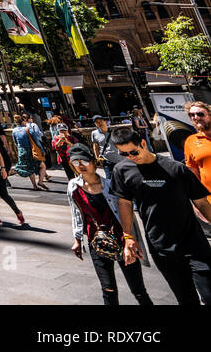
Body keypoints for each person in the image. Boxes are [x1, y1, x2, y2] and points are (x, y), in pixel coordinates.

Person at [109, 126, 211, 306]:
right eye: (124, 154)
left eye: (133, 152)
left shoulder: (176, 168)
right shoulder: (121, 170)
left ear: (143, 143)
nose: (130, 157)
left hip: (194, 244)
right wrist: (128, 236)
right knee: (186, 299)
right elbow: (124, 203)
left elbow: (201, 202)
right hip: (161, 247)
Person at [67, 144, 152, 306]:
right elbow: (76, 213)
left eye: (84, 161)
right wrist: (77, 239)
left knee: (138, 290)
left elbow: (127, 213)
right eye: (75, 162)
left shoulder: (111, 185)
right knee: (108, 290)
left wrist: (130, 240)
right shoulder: (73, 186)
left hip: (123, 242)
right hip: (96, 243)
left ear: (93, 162)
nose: (80, 165)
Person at [11, 114, 48, 191]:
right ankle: (40, 181)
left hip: (21, 151)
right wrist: (42, 150)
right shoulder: (27, 129)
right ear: (23, 121)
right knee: (42, 166)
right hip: (30, 150)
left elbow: (15, 143)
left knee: (29, 168)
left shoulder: (14, 131)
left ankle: (34, 186)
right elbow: (36, 141)